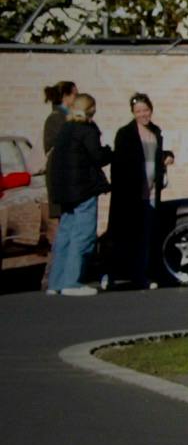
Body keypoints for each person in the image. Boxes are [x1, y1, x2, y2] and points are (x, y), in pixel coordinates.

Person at [47, 91, 108, 297]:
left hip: (65, 191)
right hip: (84, 189)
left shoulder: (66, 129)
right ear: (91, 110)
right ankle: (71, 282)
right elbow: (97, 157)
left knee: (65, 234)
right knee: (83, 235)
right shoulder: (87, 130)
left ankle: (55, 282)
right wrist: (110, 152)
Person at [106, 94, 169, 290]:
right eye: (138, 112)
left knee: (145, 237)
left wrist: (167, 156)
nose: (143, 115)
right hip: (130, 194)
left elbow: (155, 156)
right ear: (133, 113)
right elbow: (121, 165)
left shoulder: (156, 132)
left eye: (146, 110)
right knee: (125, 236)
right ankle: (112, 275)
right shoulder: (125, 133)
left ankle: (141, 275)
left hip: (150, 192)